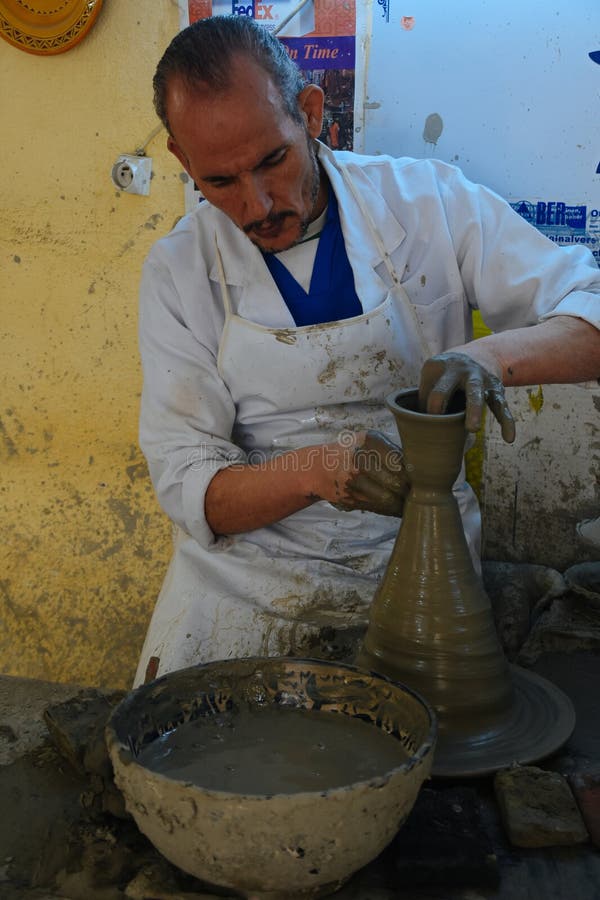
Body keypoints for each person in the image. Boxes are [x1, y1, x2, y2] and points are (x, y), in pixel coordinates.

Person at [134, 15, 600, 687]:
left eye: (273, 161)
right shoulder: (178, 271)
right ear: (183, 162)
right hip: (242, 592)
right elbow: (190, 489)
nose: (257, 203)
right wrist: (314, 470)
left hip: (417, 570)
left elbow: (589, 307)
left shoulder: (428, 202)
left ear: (311, 114)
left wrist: (492, 360)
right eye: (220, 182)